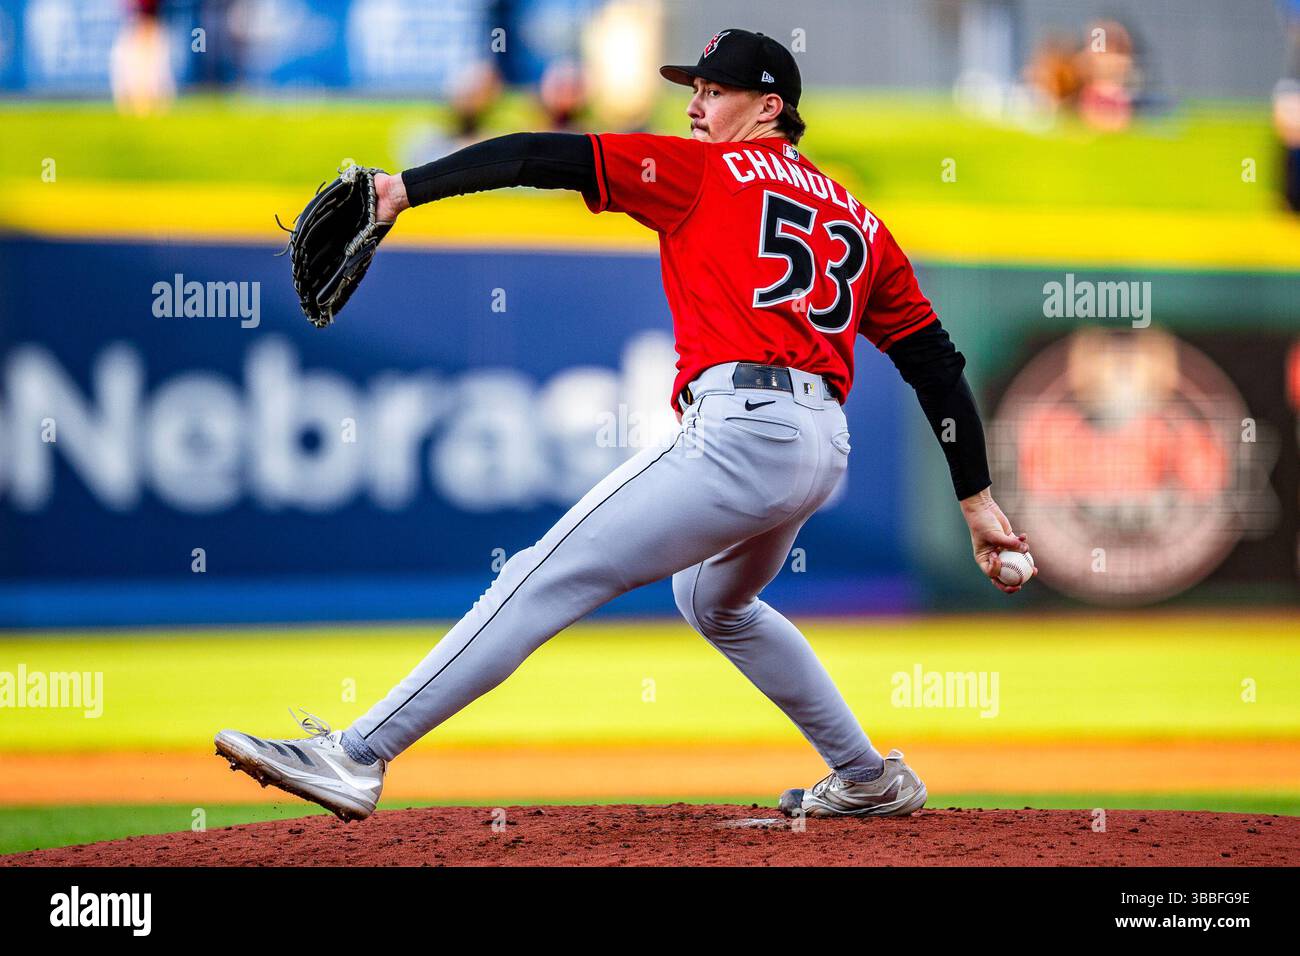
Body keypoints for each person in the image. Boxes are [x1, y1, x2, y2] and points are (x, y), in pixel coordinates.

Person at [216, 28, 1033, 821]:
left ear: (769, 106)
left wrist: (405, 188)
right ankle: (866, 777)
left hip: (744, 429)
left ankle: (357, 755)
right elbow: (935, 364)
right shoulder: (859, 218)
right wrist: (976, 499)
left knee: (537, 576)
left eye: (715, 92)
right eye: (692, 90)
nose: (695, 106)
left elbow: (540, 153)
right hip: (821, 446)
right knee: (715, 600)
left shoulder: (705, 171)